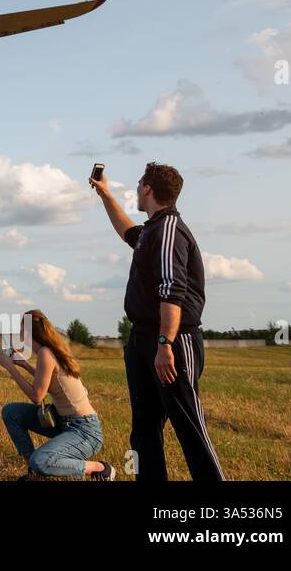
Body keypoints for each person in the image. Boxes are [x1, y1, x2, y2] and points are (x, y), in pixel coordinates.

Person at [92, 162, 225, 481]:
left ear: (148, 189)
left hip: (171, 341)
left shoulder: (168, 231)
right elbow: (127, 231)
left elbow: (172, 290)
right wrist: (105, 194)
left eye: (139, 183)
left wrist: (165, 344)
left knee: (190, 426)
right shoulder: (152, 229)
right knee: (143, 430)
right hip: (142, 340)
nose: (136, 188)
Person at [0, 309, 114, 480]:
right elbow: (48, 380)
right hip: (61, 421)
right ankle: (34, 472)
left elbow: (37, 396)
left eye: (21, 327)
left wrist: (10, 367)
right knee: (11, 412)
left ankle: (101, 468)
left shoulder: (46, 353)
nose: (19, 331)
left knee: (41, 460)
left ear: (29, 332)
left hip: (84, 431)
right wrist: (23, 364)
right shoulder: (47, 351)